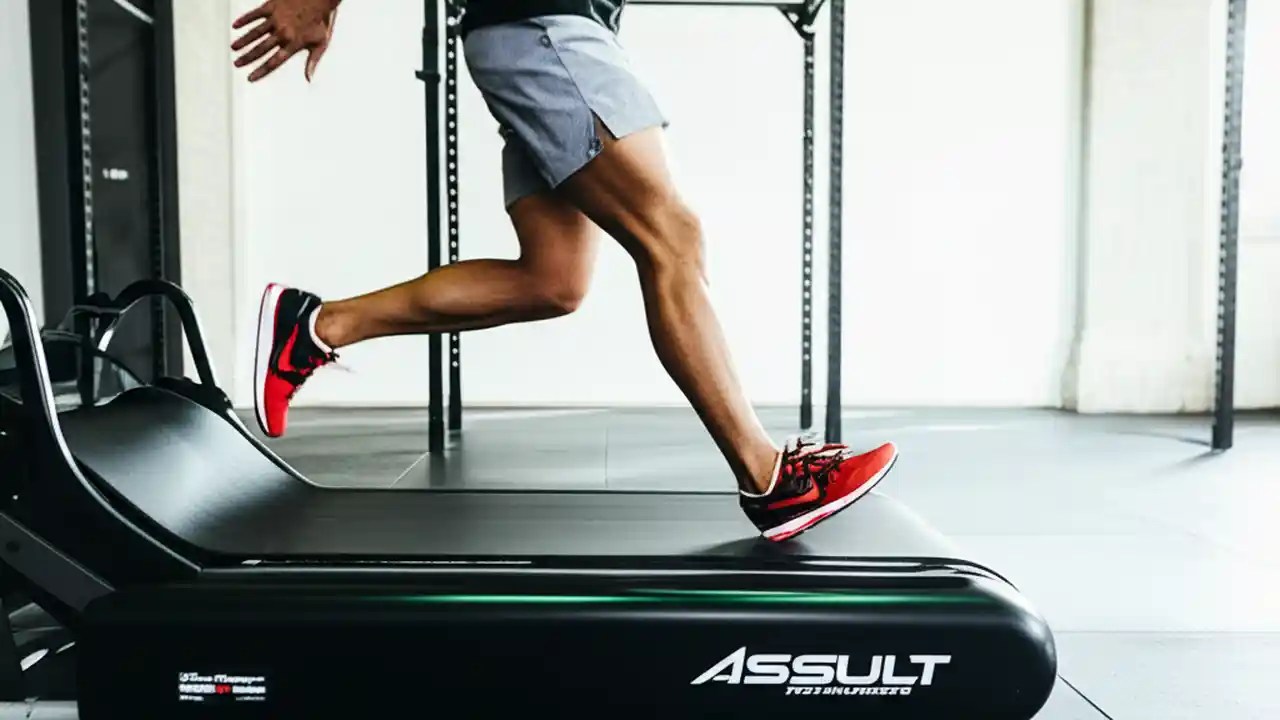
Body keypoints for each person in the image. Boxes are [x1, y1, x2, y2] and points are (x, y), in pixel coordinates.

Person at [230, 0, 897, 542]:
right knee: (673, 238)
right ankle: (768, 478)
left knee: (555, 279)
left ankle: (315, 325)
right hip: (542, 28)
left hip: (544, 36)